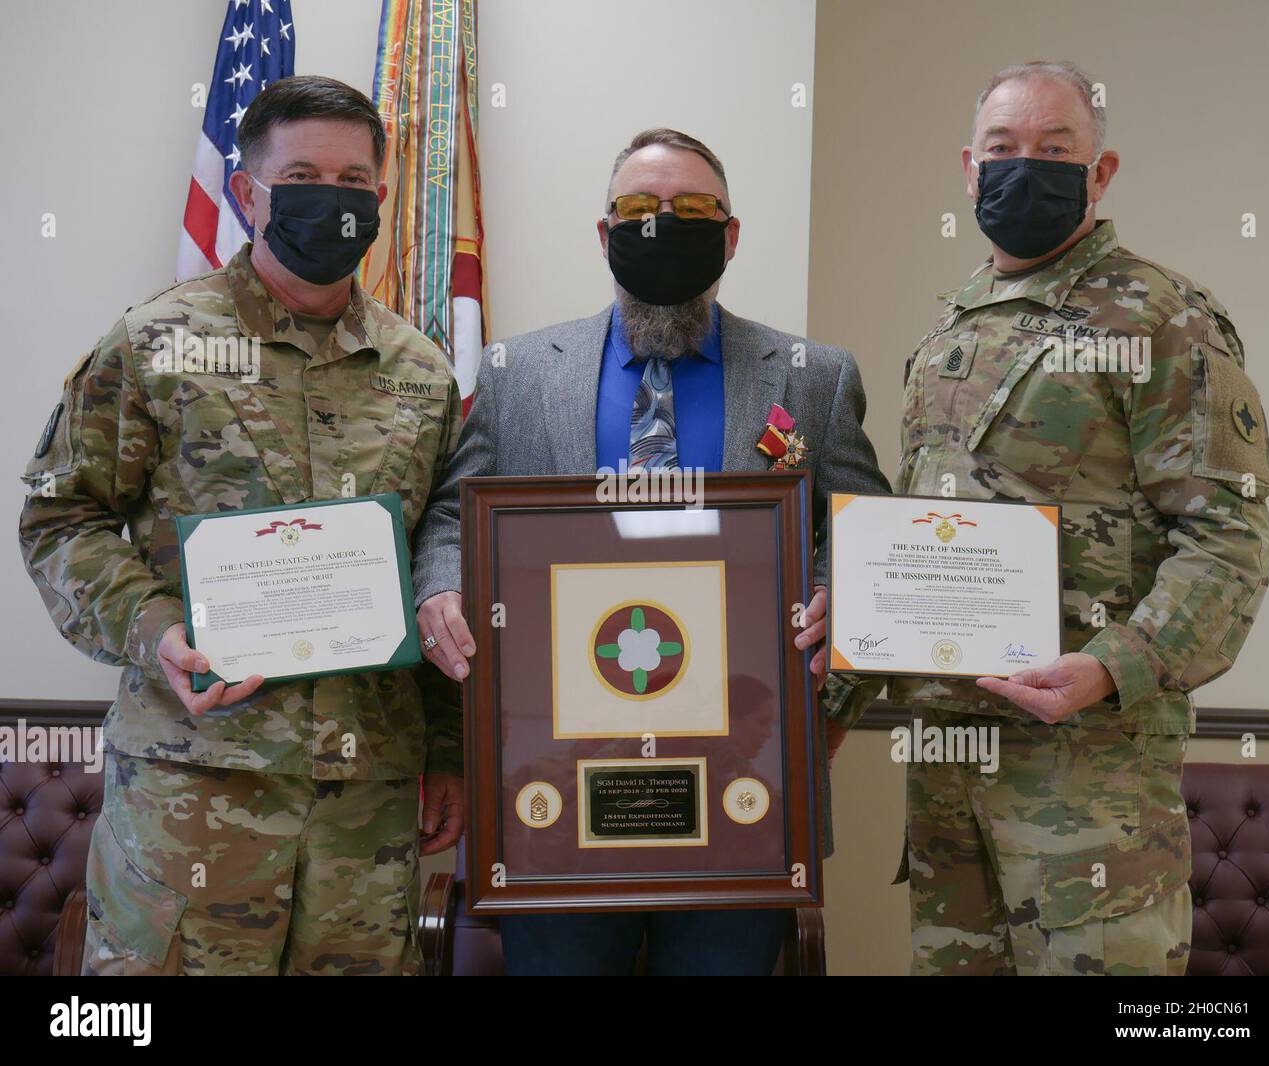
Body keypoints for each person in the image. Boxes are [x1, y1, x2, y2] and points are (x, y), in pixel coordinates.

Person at [412, 127, 889, 975]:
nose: (661, 224)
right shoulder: (519, 371)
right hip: (550, 786)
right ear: (604, 234)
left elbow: (861, 536)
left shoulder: (813, 375)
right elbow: (452, 514)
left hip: (747, 782)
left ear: (731, 234)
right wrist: (440, 590)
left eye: (693, 209)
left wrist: (833, 659)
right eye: (638, 208)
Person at [19, 75, 464, 975]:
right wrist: (159, 635)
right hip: (193, 789)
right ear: (245, 192)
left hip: (364, 804)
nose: (331, 198)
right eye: (302, 174)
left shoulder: (423, 373)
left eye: (353, 181)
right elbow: (62, 520)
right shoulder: (155, 343)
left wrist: (449, 748)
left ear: (379, 196)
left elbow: (440, 560)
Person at [895, 61, 1269, 975]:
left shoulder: (1164, 317)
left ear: (1100, 174)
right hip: (949, 758)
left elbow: (1229, 541)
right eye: (1003, 149)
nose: (1025, 166)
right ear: (968, 167)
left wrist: (1113, 668)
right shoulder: (951, 332)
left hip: (1090, 772)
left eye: (1054, 150)